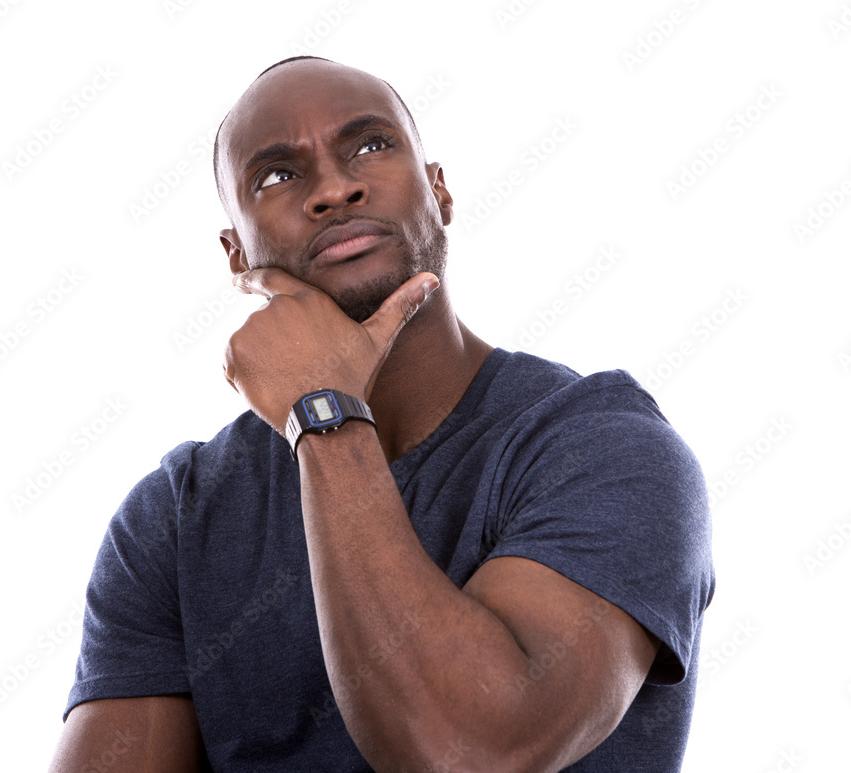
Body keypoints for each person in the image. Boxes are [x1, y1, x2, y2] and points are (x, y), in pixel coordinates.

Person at [49, 56, 714, 772]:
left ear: (439, 191)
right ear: (236, 254)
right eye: (277, 175)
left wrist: (322, 412)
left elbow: (468, 752)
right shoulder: (177, 515)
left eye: (370, 144)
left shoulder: (607, 447)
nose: (335, 189)